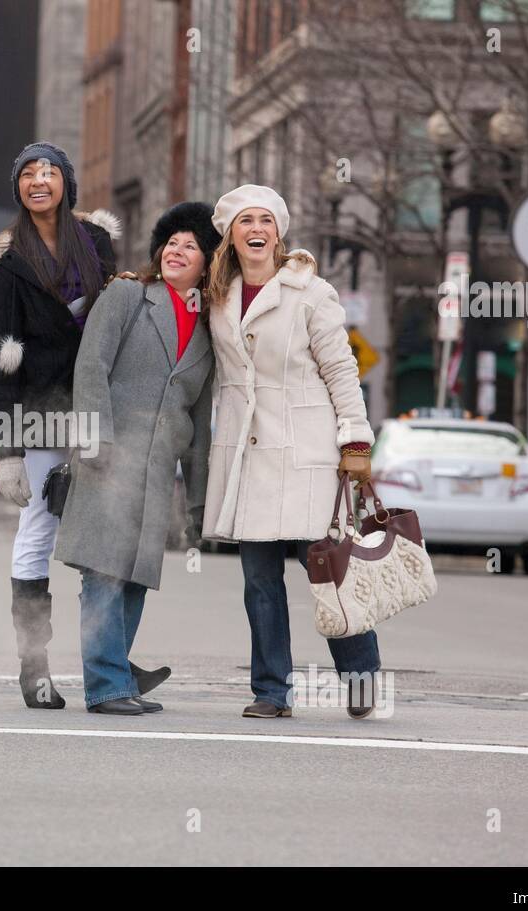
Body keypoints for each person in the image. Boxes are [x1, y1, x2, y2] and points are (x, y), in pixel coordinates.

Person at [0, 140, 144, 710]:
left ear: (67, 182)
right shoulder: (6, 264)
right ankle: (35, 666)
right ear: (18, 188)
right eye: (27, 175)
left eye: (48, 172)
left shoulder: (96, 244)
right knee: (38, 533)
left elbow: (119, 325)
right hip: (39, 414)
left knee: (106, 534)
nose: (38, 181)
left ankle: (111, 663)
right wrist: (8, 450)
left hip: (94, 410)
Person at [200, 185, 379, 720]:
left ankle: (362, 679)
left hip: (307, 452)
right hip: (248, 457)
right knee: (259, 581)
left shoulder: (311, 291)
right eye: (245, 221)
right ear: (231, 235)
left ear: (278, 233)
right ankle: (271, 691)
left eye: (266, 221)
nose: (257, 229)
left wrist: (355, 441)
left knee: (326, 572)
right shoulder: (217, 294)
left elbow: (341, 369)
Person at [55, 202, 220, 715]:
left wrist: (197, 500)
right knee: (103, 571)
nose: (177, 249)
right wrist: (95, 439)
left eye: (191, 245)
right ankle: (105, 685)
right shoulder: (127, 294)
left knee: (134, 576)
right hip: (108, 458)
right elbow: (91, 367)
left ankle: (117, 674)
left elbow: (200, 416)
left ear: (209, 264)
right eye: (172, 242)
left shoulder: (210, 332)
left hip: (155, 475)